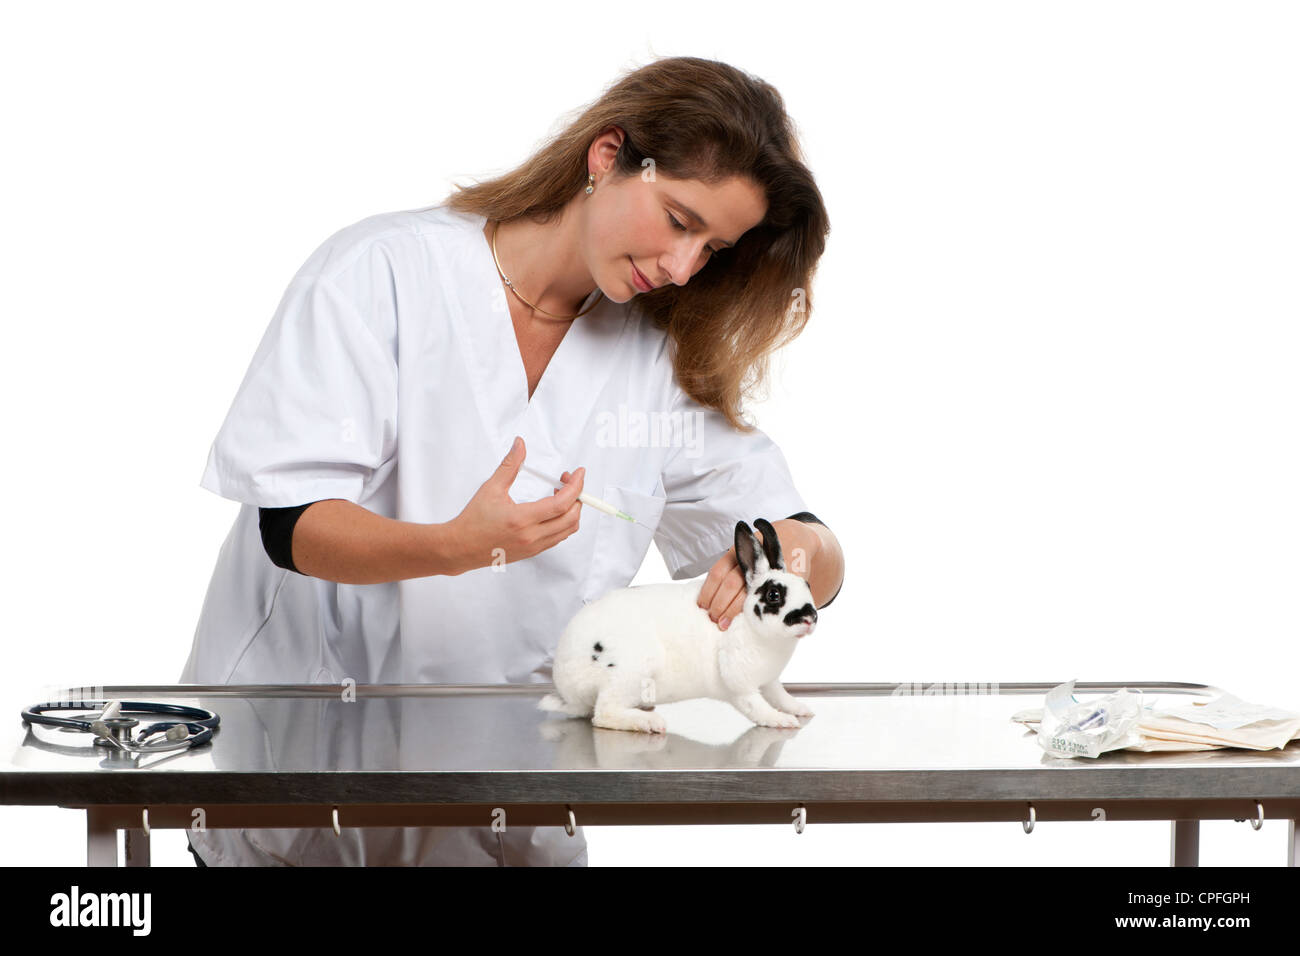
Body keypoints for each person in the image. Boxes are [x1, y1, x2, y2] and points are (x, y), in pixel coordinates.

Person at [181, 55, 843, 866]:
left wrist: (796, 554)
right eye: (678, 219)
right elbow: (291, 525)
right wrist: (457, 546)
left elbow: (805, 534)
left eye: (712, 249)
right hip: (310, 772)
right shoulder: (385, 274)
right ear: (608, 157)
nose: (681, 267)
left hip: (510, 792)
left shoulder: (657, 360)